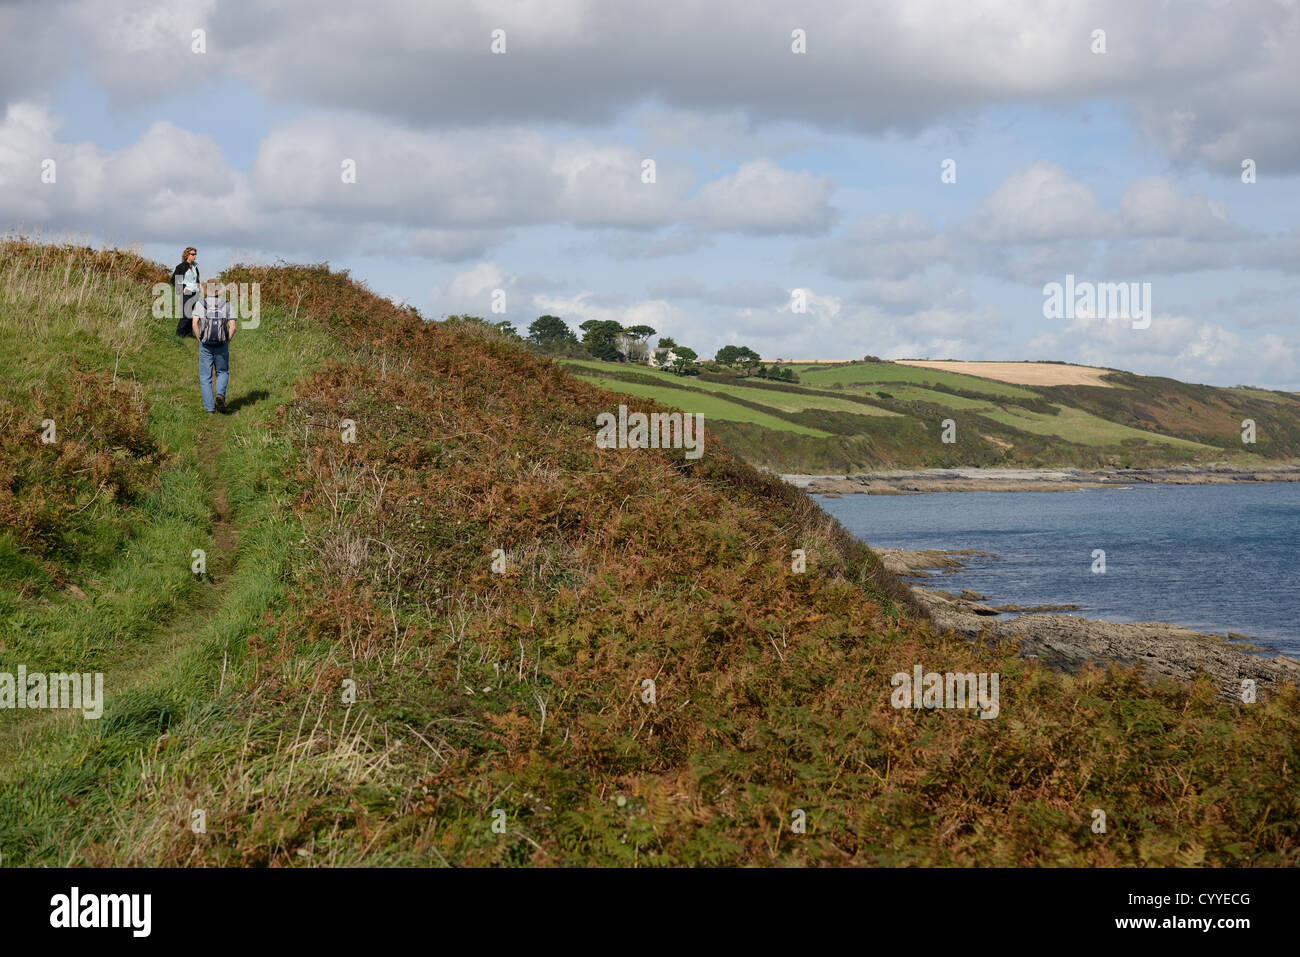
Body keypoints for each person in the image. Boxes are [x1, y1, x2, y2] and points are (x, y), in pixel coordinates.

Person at [192, 278, 237, 413]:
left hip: (205, 344)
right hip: (221, 344)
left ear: (206, 290)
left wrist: (200, 339)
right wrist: (227, 340)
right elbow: (233, 327)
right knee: (222, 372)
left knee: (205, 376)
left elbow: (194, 324)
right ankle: (220, 394)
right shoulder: (226, 304)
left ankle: (210, 409)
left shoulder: (201, 303)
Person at [172, 247, 200, 337]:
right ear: (187, 255)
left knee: (193, 314)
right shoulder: (181, 266)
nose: (194, 256)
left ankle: (188, 334)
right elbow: (174, 280)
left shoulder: (195, 267)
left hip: (195, 292)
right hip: (187, 292)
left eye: (195, 254)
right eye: (192, 254)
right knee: (186, 314)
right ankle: (179, 334)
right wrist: (182, 288)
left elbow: (196, 280)